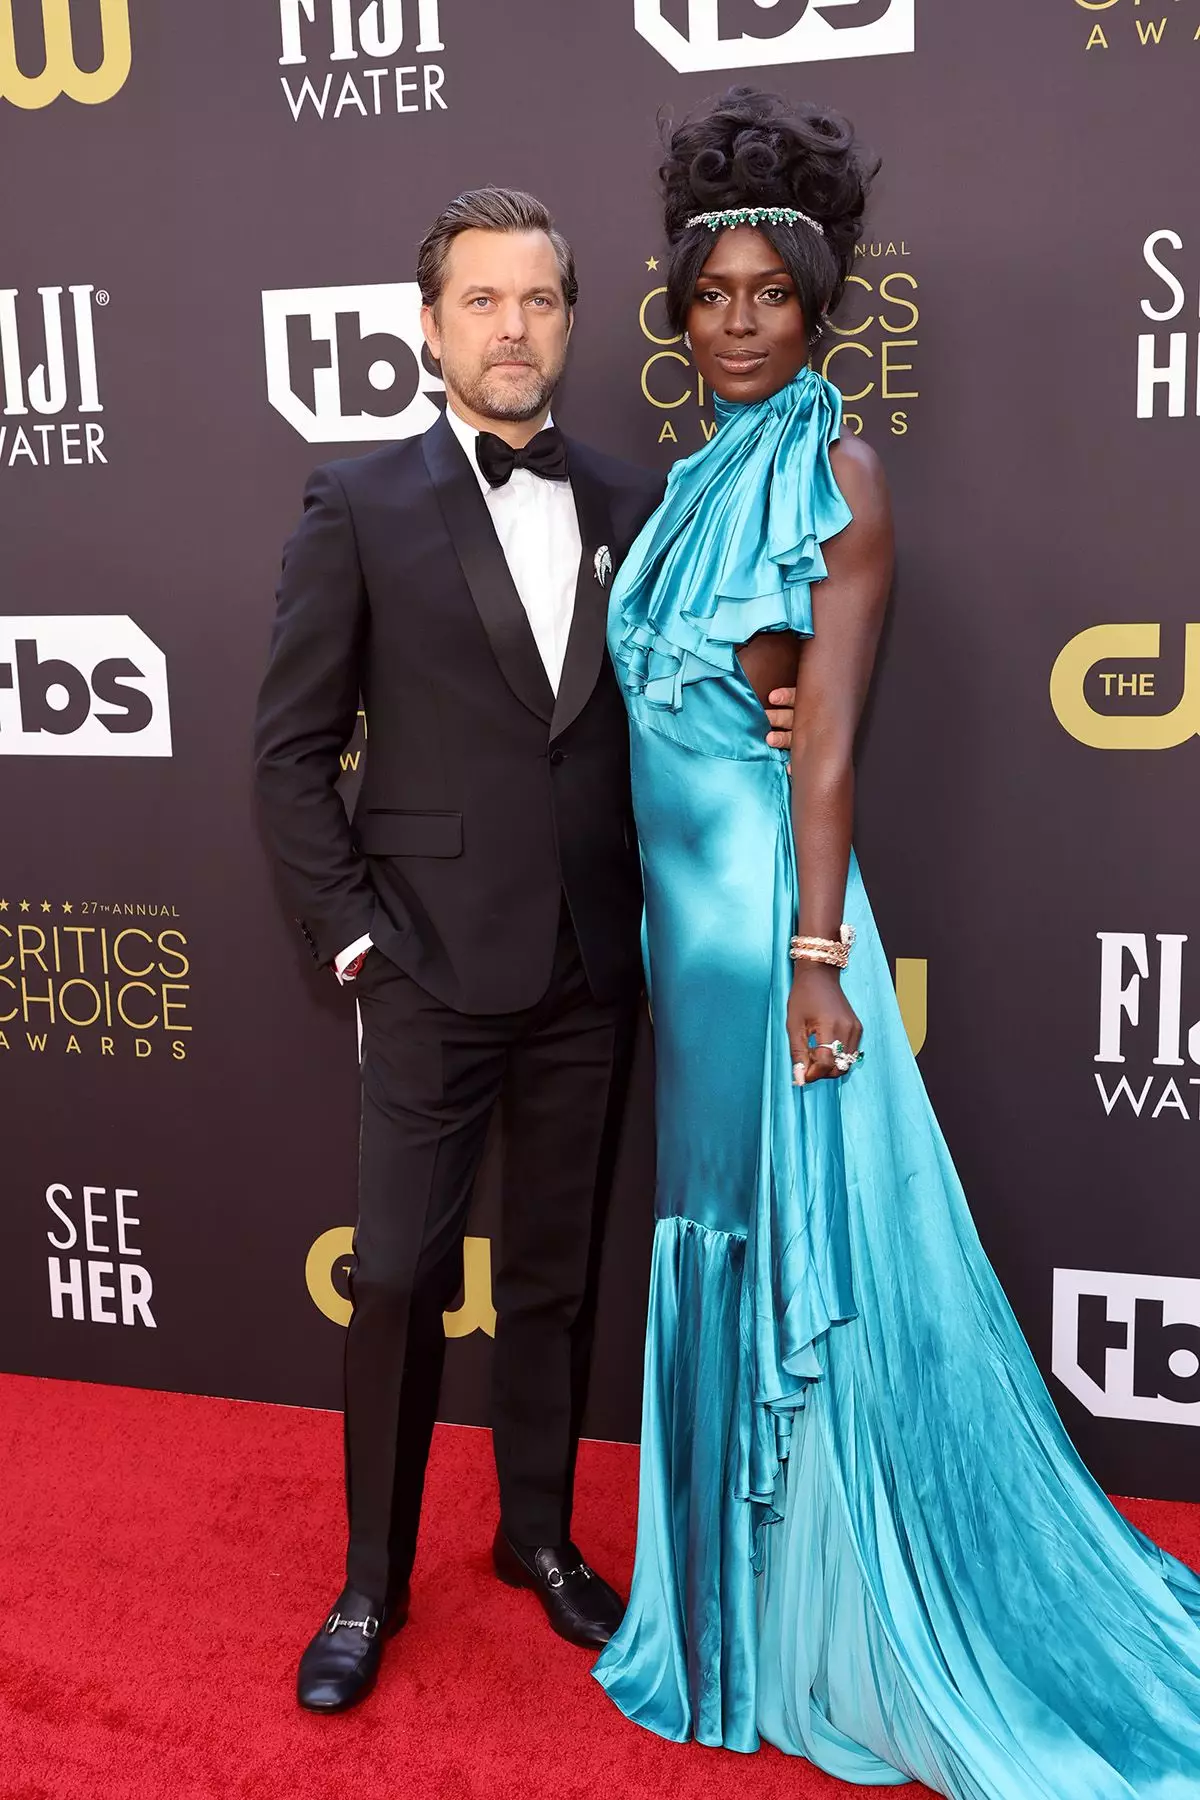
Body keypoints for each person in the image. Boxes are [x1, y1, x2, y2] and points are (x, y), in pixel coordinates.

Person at [592, 90, 1200, 1795]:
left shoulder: (837, 470)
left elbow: (833, 745)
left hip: (773, 946)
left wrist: (810, 962)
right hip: (687, 951)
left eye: (767, 295)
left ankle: (815, 1621)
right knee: (721, 1236)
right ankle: (730, 1620)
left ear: (821, 302)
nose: (733, 324)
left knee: (802, 1261)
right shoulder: (703, 469)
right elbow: (719, 699)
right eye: (707, 294)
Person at [254, 186, 797, 1714]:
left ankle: (541, 1539)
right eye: (481, 300)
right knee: (399, 1280)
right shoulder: (355, 507)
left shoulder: (640, 499)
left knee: (555, 1279)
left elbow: (687, 700)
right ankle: (371, 1578)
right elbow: (288, 756)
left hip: (589, 965)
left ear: (572, 320)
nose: (512, 327)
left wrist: (771, 715)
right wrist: (359, 944)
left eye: (540, 300)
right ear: (430, 328)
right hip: (424, 965)